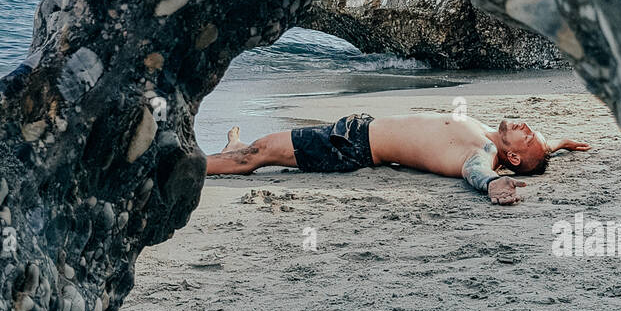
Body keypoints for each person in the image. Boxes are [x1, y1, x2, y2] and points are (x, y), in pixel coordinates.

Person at [205, 113, 590, 205]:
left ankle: (187, 166)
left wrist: (492, 184)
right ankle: (228, 150)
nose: (524, 125)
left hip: (349, 146)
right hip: (356, 128)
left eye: (528, 135)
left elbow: (474, 171)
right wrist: (558, 143)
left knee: (255, 155)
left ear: (511, 157)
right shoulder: (492, 135)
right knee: (259, 147)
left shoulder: (483, 152)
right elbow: (537, 151)